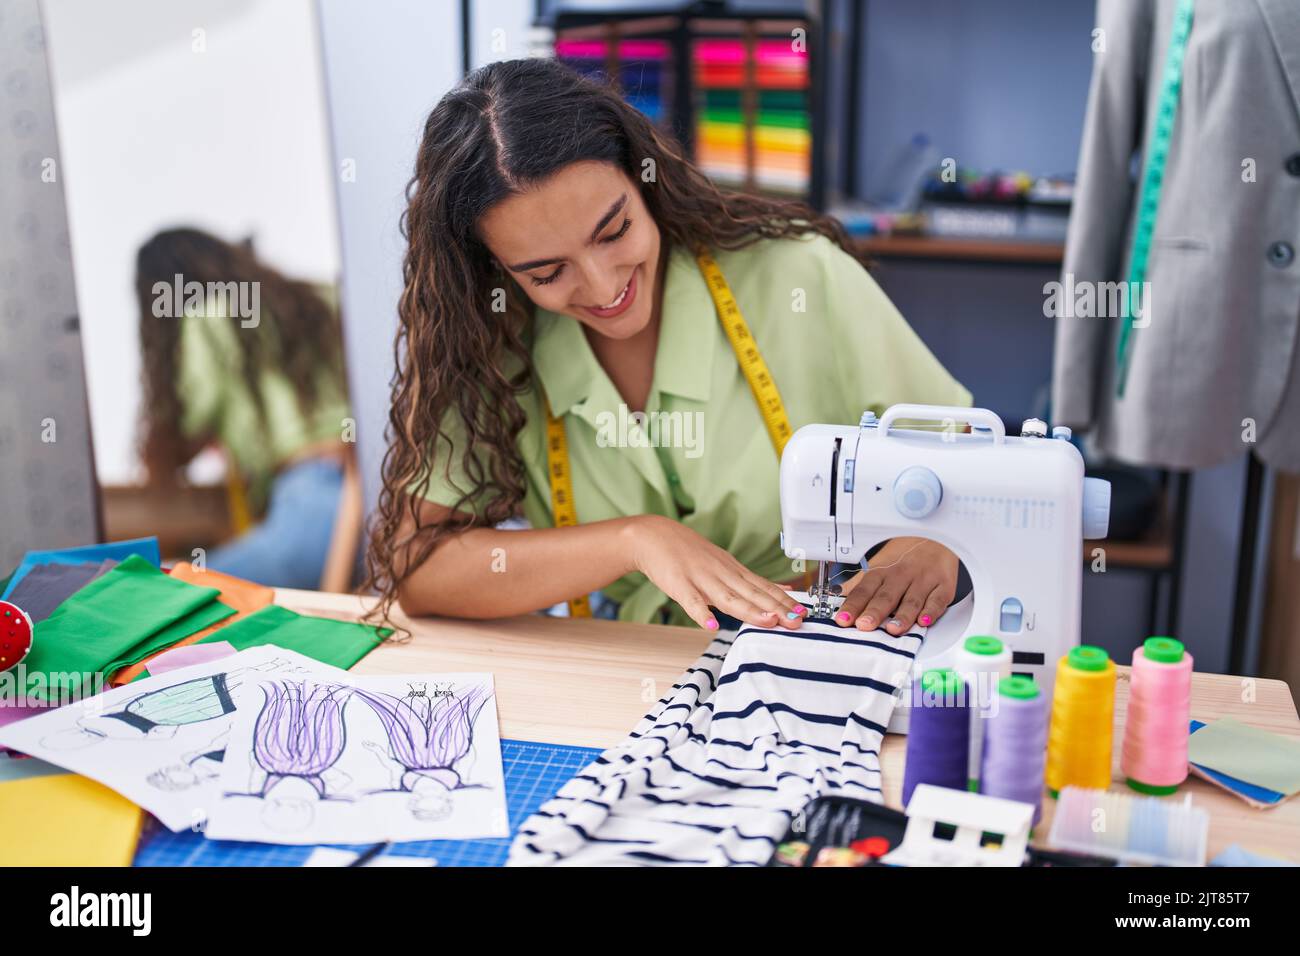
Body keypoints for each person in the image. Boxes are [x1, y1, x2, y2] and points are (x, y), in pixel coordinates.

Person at [367, 58, 972, 634]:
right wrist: (632, 541)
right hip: (634, 665)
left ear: (642, 175)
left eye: (615, 231)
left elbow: (964, 459)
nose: (604, 288)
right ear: (496, 269)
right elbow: (416, 567)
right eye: (547, 273)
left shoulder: (799, 278)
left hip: (812, 642)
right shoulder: (496, 336)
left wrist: (928, 545)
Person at [137, 228, 355, 589]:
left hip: (313, 501)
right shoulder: (321, 297)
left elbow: (178, 437)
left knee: (160, 588)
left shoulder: (205, 321)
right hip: (385, 492)